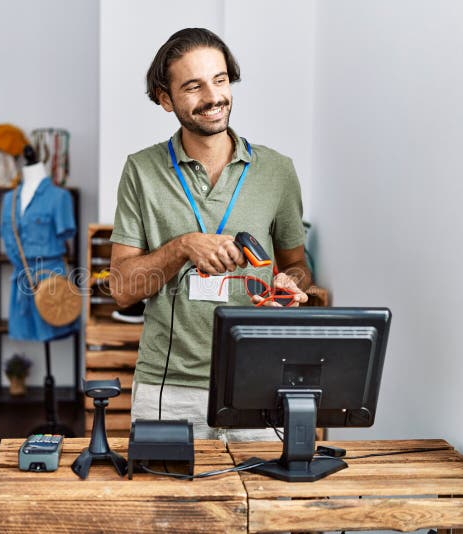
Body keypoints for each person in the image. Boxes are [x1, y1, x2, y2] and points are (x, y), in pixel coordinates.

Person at [109, 28, 311, 441]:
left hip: (262, 381)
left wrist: (292, 285)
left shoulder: (278, 172)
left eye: (220, 80)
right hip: (169, 388)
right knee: (164, 507)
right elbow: (122, 289)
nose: (213, 96)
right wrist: (183, 246)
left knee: (269, 504)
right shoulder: (141, 171)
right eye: (194, 86)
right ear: (165, 99)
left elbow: (298, 266)